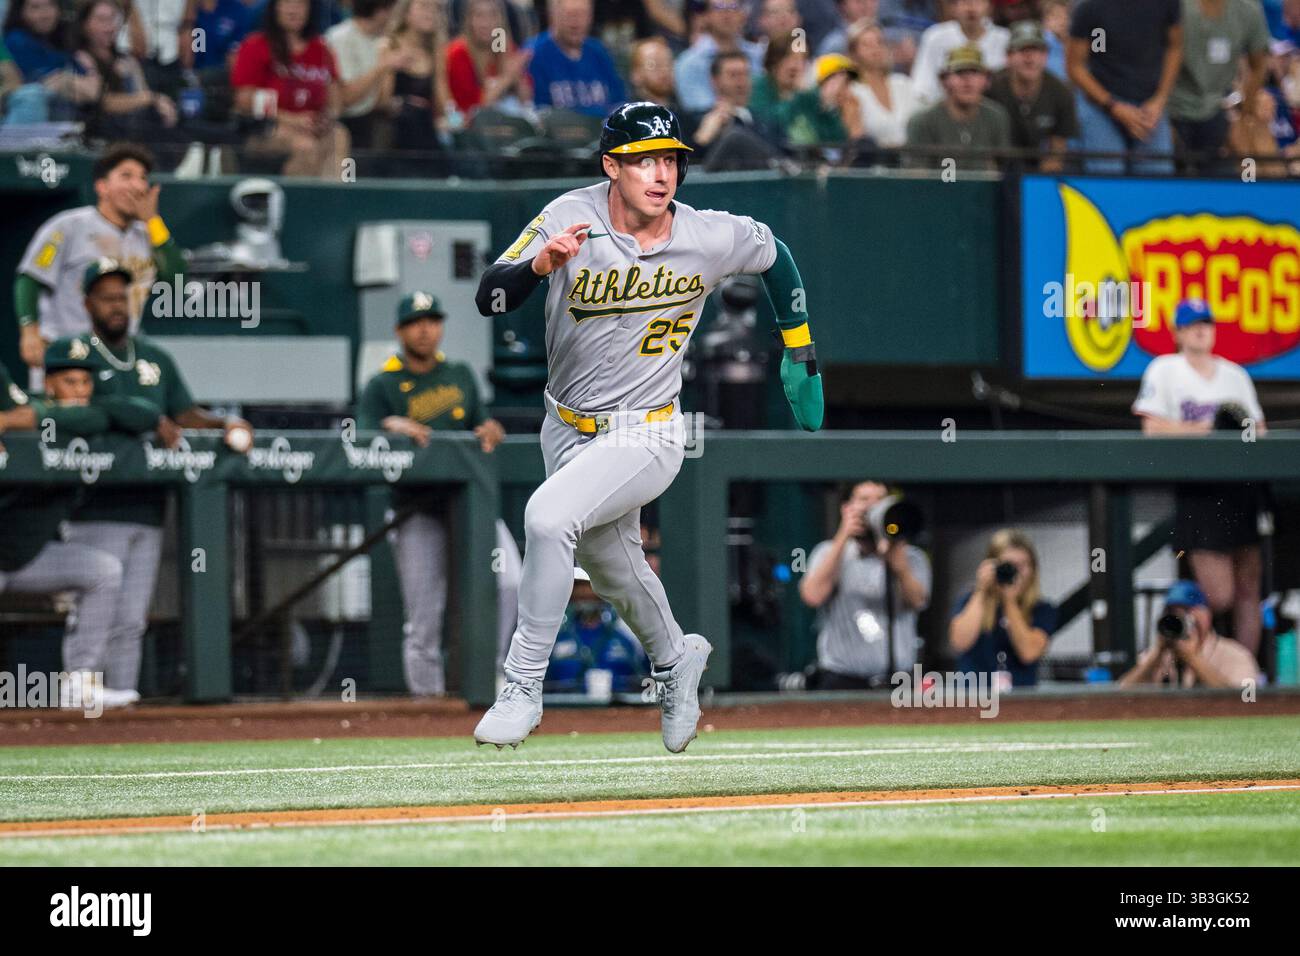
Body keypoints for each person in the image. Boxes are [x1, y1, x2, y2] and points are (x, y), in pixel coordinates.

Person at [472, 101, 824, 751]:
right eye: (643, 162)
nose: (660, 175)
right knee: (611, 568)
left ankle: (522, 685)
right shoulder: (567, 217)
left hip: (651, 429)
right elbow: (490, 294)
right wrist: (539, 267)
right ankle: (674, 660)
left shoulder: (706, 234)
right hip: (565, 425)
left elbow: (779, 257)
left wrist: (800, 353)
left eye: (670, 160)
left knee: (548, 519)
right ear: (611, 166)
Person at [50, 258, 254, 701]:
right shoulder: (75, 353)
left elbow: (185, 414)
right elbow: (86, 410)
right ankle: (79, 697)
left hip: (149, 507)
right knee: (95, 606)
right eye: (106, 297)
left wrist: (225, 423)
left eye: (121, 296)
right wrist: (147, 417)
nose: (116, 305)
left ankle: (123, 701)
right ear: (87, 303)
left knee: (132, 618)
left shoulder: (154, 357)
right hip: (93, 504)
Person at [355, 291, 522, 695]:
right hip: (416, 509)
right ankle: (428, 707)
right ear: (399, 331)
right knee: (424, 616)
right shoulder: (382, 384)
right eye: (415, 322)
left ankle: (496, 675)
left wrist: (491, 429)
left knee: (511, 582)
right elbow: (359, 439)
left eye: (432, 320)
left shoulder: (461, 374)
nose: (425, 329)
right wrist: (390, 427)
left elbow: (484, 426)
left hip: (471, 506)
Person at [0, 341, 164, 710]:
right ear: (50, 382)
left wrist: (91, 408)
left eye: (85, 382)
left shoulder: (70, 417)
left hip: (26, 556)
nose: (79, 390)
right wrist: (25, 417)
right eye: (69, 382)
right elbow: (35, 413)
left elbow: (143, 413)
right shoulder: (25, 408)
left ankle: (80, 683)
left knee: (103, 571)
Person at [1131, 297, 1267, 655]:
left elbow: (1261, 429)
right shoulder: (1165, 369)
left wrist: (1237, 429)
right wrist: (1208, 429)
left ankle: (1245, 675)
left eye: (1206, 323)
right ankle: (1192, 663)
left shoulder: (1234, 375)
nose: (1201, 330)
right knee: (1218, 595)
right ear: (1178, 332)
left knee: (1248, 587)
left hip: (1240, 486)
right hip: (1199, 491)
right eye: (1192, 324)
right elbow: (1152, 428)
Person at [15, 143, 185, 391]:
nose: (138, 186)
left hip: (118, 356)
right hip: (67, 353)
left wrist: (153, 221)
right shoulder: (68, 226)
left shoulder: (150, 235)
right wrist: (29, 331)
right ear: (102, 186)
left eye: (142, 178)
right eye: (126, 176)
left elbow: (176, 280)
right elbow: (30, 278)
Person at [798, 480, 931, 688]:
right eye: (864, 499)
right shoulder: (829, 552)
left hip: (899, 679)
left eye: (879, 500)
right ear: (846, 508)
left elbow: (918, 602)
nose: (873, 507)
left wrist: (899, 565)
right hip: (842, 678)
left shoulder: (911, 557)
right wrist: (843, 534)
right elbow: (812, 596)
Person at [231, 0, 350, 179]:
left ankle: (332, 200)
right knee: (305, 146)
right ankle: (297, 203)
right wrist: (292, 120)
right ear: (275, 8)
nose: (294, 10)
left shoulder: (322, 49)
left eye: (300, 5)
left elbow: (335, 100)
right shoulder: (255, 46)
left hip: (311, 124)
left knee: (339, 135)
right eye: (287, 4)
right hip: (266, 125)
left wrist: (326, 118)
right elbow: (245, 101)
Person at [1067, 0, 1182, 174]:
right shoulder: (1089, 6)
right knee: (1107, 175)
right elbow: (1075, 67)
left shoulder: (1167, 3)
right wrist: (1113, 106)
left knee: (1158, 180)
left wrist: (1160, 99)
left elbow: (1175, 47)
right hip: (1102, 104)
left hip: (1149, 105)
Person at [1168, 0, 1271, 172]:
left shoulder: (1248, 10)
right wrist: (1160, 109)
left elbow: (1259, 64)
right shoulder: (1178, 8)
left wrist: (1246, 112)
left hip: (1217, 111)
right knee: (1166, 180)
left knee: (1232, 177)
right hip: (1171, 110)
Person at [948, 528, 1057, 687]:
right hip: (974, 697)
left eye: (1022, 565)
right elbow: (959, 643)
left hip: (1021, 699)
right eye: (1009, 565)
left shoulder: (1042, 609)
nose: (1015, 572)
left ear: (1033, 569)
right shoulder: (970, 600)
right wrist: (981, 591)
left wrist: (1009, 601)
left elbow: (1029, 653)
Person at [1119, 580, 1258, 689]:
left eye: (1187, 610)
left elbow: (1242, 701)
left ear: (1206, 614)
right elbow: (1119, 696)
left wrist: (1192, 658)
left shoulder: (1235, 655)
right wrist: (1157, 656)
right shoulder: (1160, 653)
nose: (1180, 617)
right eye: (1172, 612)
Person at [74, 0, 181, 139]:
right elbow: (104, 102)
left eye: (112, 19)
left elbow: (144, 94)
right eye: (101, 20)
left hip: (137, 131)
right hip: (100, 135)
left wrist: (160, 104)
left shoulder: (127, 60)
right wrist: (150, 98)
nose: (109, 27)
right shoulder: (80, 60)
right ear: (85, 24)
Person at [984, 19, 1076, 172]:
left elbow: (1058, 150)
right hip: (997, 168)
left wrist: (1040, 180)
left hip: (1039, 172)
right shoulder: (991, 88)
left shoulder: (1060, 91)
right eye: (1022, 50)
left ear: (1046, 56)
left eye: (1036, 50)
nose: (1029, 57)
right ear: (1008, 56)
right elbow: (983, 143)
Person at [904, 43, 1010, 168]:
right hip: (938, 187)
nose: (967, 80)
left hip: (984, 187)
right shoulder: (923, 121)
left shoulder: (996, 117)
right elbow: (916, 175)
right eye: (959, 72)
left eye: (974, 72)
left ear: (986, 81)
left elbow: (1005, 169)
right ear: (944, 81)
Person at [3, 0, 102, 121]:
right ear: (21, 11)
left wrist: (85, 78)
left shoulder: (59, 38)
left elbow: (94, 89)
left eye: (50, 5)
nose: (45, 14)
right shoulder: (16, 40)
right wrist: (81, 83)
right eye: (35, 7)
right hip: (34, 126)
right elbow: (50, 84)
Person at [378, 0, 452, 162]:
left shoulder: (436, 51)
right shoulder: (389, 45)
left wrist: (455, 119)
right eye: (424, 6)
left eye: (436, 9)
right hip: (395, 126)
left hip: (426, 126)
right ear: (406, 13)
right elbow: (383, 102)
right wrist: (407, 102)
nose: (430, 13)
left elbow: (443, 101)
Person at [752, 43, 864, 147]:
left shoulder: (814, 100)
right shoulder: (759, 87)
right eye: (789, 58)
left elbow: (836, 140)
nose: (795, 66)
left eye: (802, 59)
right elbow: (769, 123)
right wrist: (801, 96)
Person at [527, 0, 625, 116]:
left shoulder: (600, 52)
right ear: (553, 15)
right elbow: (537, 111)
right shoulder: (533, 53)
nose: (575, 23)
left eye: (582, 14)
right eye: (569, 15)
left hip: (602, 131)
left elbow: (619, 103)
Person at [687, 49, 780, 168]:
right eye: (733, 75)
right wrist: (703, 138)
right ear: (715, 81)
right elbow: (685, 168)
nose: (741, 83)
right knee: (735, 137)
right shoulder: (694, 120)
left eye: (745, 74)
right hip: (719, 184)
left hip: (770, 184)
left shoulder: (767, 121)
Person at [326, 0, 401, 148]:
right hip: (345, 124)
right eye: (394, 10)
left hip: (372, 122)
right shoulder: (340, 38)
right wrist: (382, 67)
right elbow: (346, 98)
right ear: (381, 11)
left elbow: (383, 101)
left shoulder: (384, 41)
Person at [910, 0, 1008, 107]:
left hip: (992, 111)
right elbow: (922, 86)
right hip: (944, 111)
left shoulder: (1005, 38)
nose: (971, 8)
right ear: (954, 7)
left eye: (978, 2)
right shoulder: (935, 36)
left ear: (989, 6)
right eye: (965, 2)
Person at [444, 0, 533, 117]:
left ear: (501, 20)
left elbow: (526, 100)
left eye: (493, 15)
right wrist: (507, 77)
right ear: (469, 20)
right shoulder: (457, 53)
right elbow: (472, 108)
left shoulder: (501, 43)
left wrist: (518, 77)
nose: (486, 23)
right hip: (467, 123)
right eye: (479, 16)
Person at [674, 0, 763, 112]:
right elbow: (697, 109)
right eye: (719, 7)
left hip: (760, 124)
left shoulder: (759, 55)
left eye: (733, 7)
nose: (726, 14)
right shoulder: (688, 63)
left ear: (743, 14)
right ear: (706, 16)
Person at [847, 17, 918, 148]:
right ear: (854, 53)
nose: (875, 49)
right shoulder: (852, 92)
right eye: (867, 45)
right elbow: (856, 140)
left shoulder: (903, 83)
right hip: (876, 162)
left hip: (912, 160)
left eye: (879, 42)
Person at [628, 35, 679, 110]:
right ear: (636, 74)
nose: (664, 70)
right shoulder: (629, 117)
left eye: (668, 63)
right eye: (653, 65)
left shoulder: (684, 115)